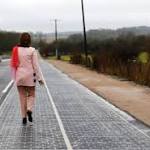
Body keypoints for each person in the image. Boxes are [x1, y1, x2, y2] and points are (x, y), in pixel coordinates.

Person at [10, 32, 44, 125]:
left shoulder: (16, 50)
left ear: (20, 40)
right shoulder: (32, 50)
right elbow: (36, 66)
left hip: (19, 76)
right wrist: (40, 78)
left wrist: (14, 77)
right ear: (29, 40)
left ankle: (24, 117)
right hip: (30, 76)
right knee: (31, 95)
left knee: (22, 97)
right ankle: (29, 109)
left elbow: (13, 64)